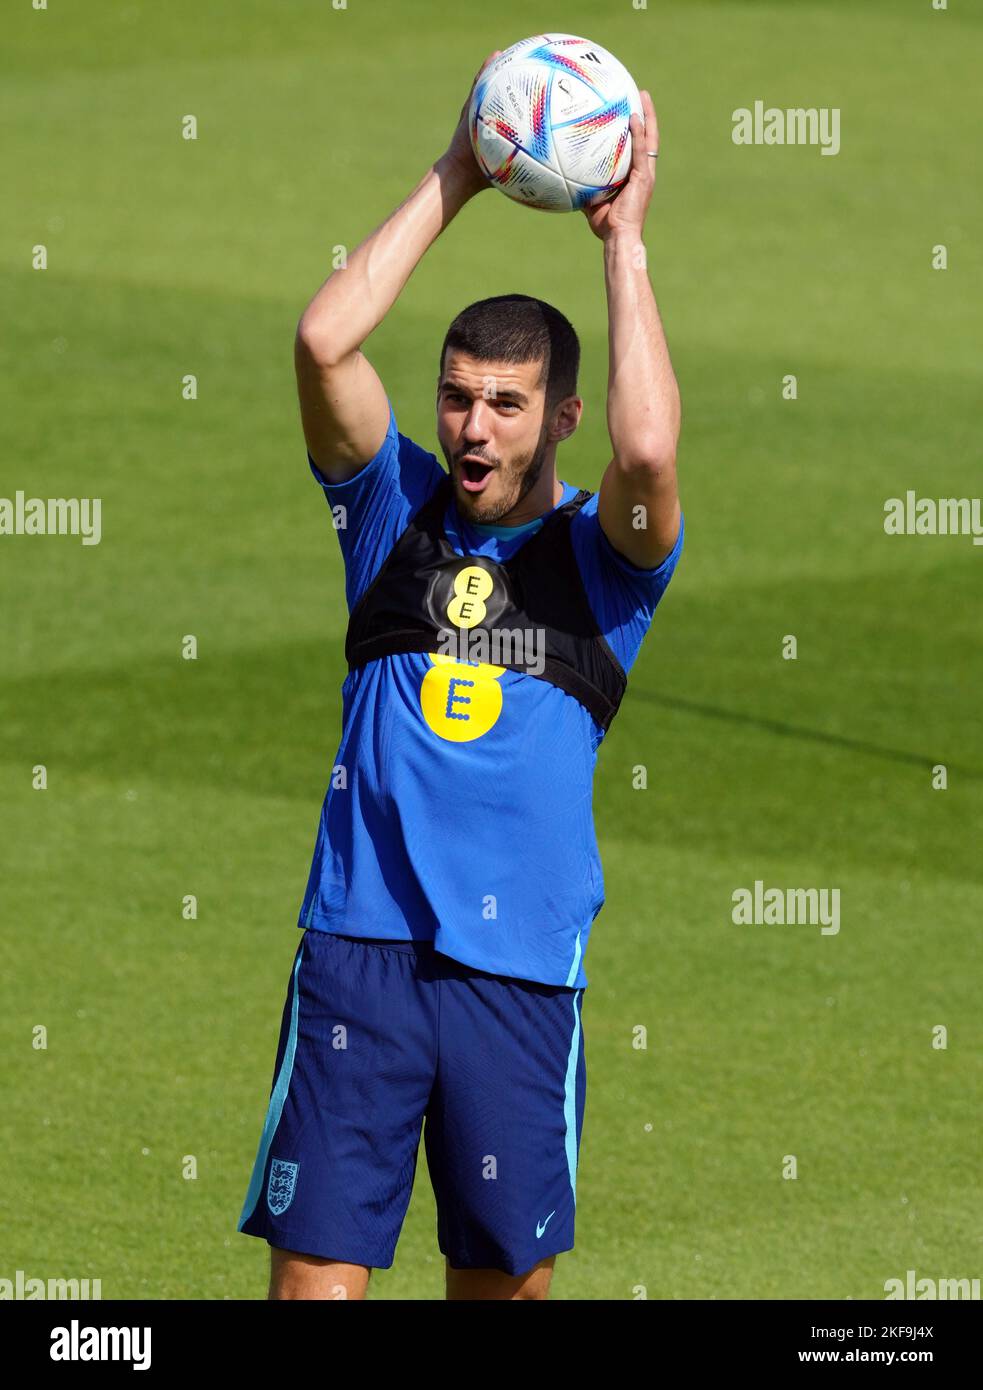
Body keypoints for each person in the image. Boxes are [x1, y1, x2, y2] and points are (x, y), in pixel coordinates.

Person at [237, 53, 683, 1301]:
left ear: (559, 419)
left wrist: (622, 244)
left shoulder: (602, 566)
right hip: (359, 956)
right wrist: (459, 169)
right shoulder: (389, 521)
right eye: (455, 399)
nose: (473, 426)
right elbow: (325, 339)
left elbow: (650, 448)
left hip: (519, 977)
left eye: (504, 403)